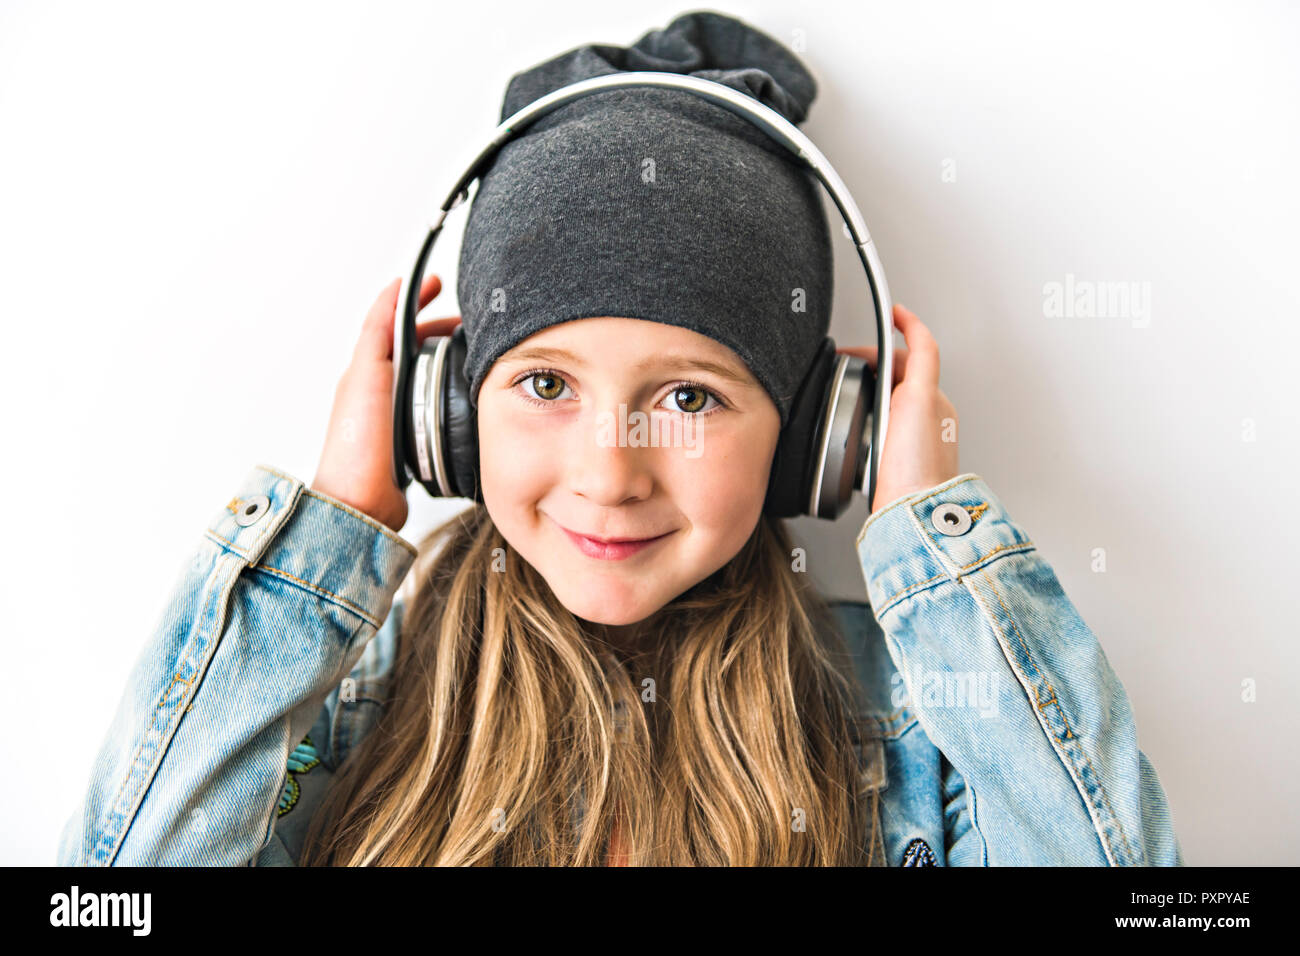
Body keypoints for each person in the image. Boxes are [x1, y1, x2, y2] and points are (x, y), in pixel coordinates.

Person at [56, 10, 1182, 867]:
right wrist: (335, 526)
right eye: (544, 381)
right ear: (442, 413)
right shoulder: (341, 699)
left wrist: (930, 542)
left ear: (816, 435)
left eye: (689, 398)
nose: (608, 470)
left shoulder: (922, 717)